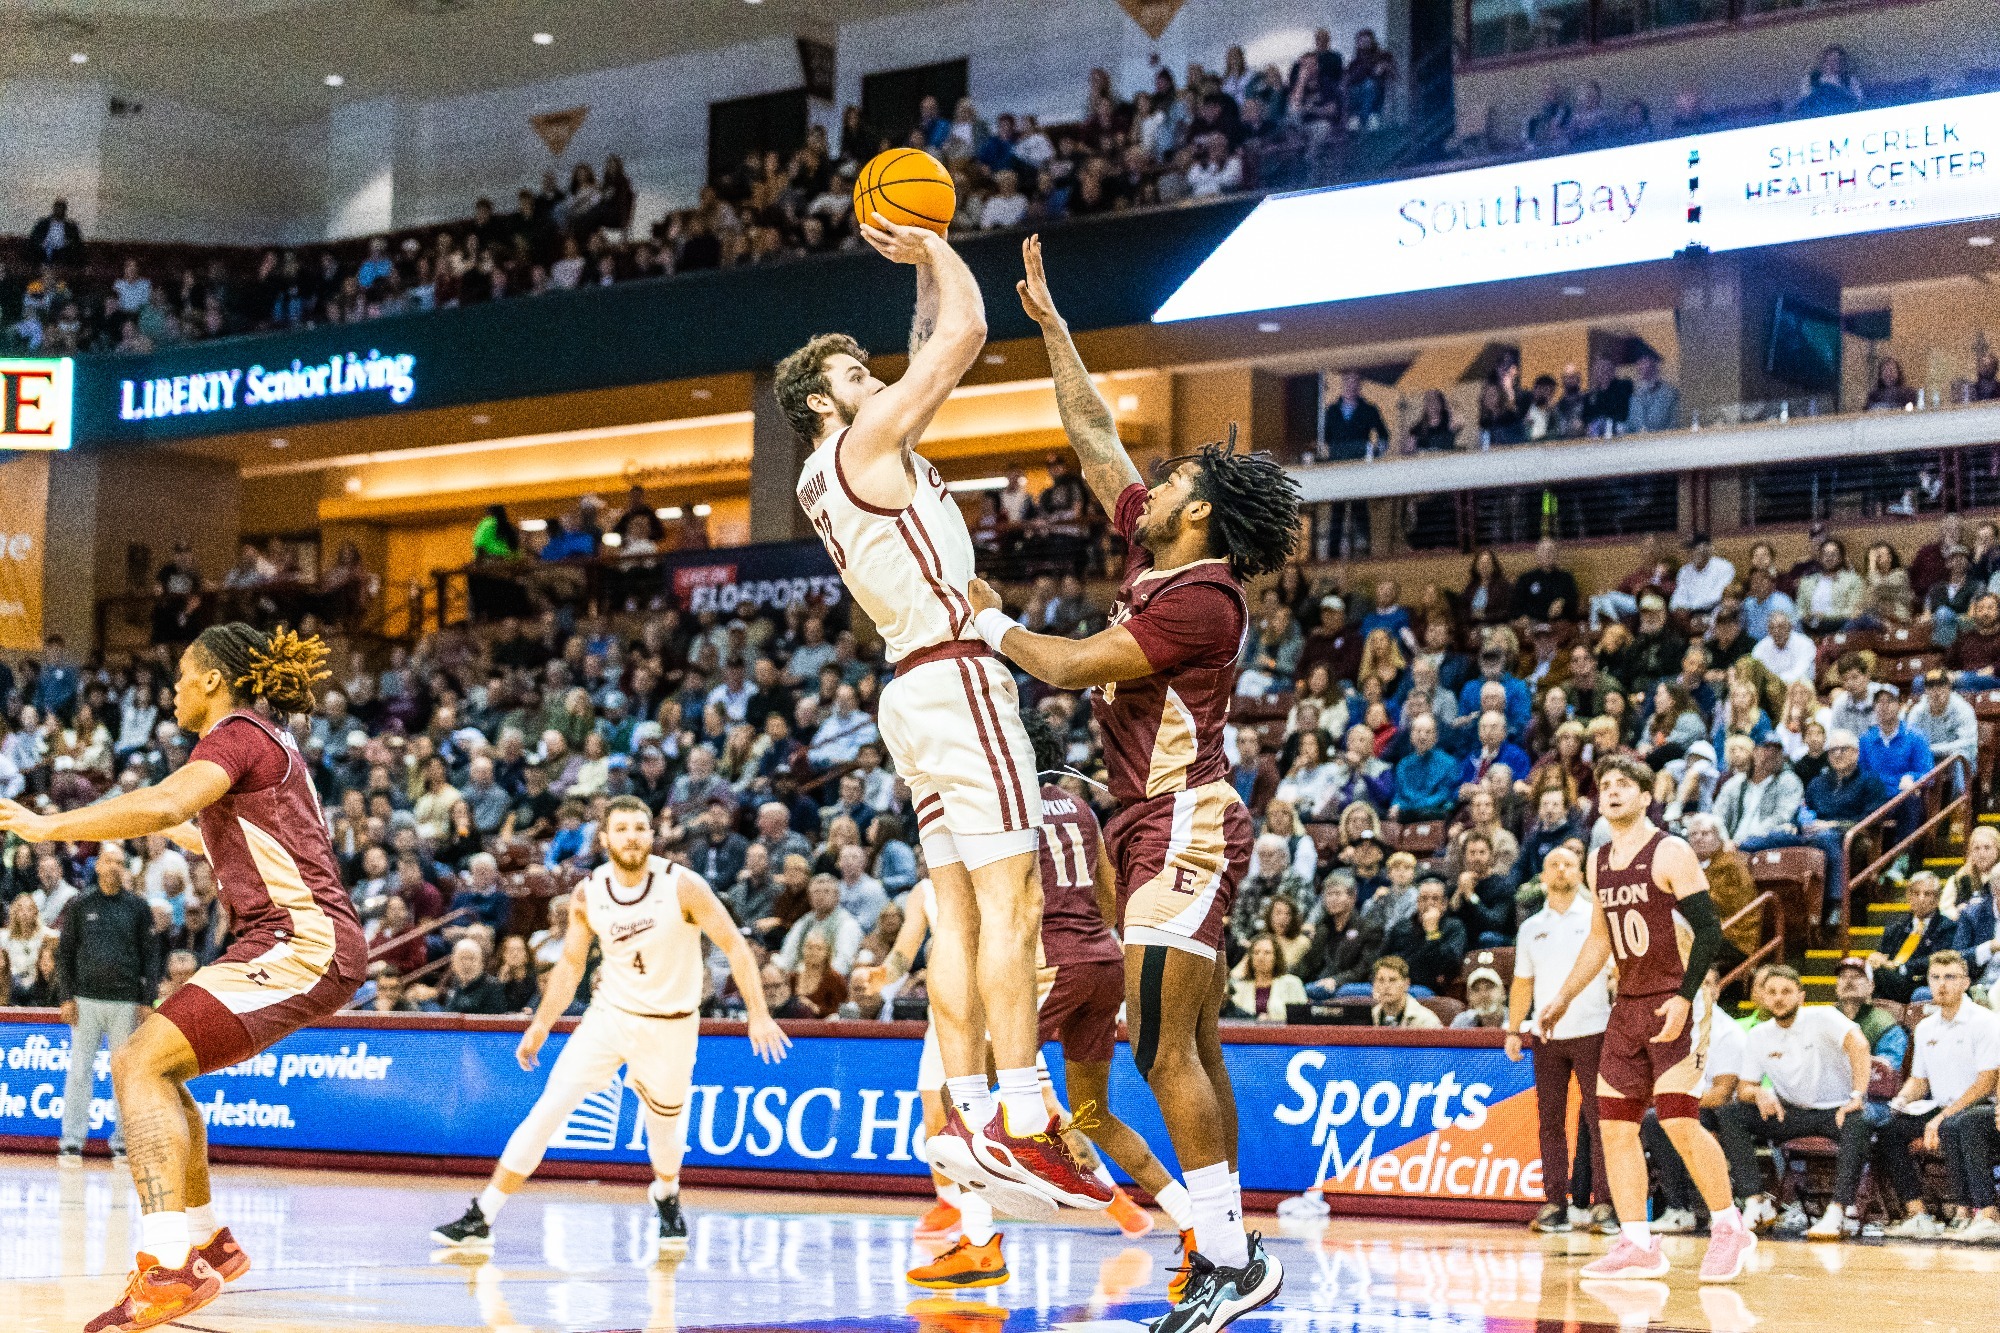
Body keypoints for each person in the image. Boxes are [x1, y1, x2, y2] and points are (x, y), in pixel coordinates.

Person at [966, 233, 1295, 1331]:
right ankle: (1223, 1249)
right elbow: (1095, 436)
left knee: (1163, 1040)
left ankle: (1230, 1251)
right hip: (1146, 825)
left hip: (1186, 820)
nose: (1151, 484)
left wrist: (983, 620)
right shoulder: (1153, 554)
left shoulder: (1200, 598)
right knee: (1186, 1041)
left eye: (1173, 481)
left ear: (1194, 512)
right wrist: (1056, 331)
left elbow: (1060, 667)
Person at [777, 222, 1100, 1213]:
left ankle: (961, 1114)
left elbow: (921, 340)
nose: (878, 381)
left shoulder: (832, 472)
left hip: (907, 691)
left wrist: (913, 264)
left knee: (956, 914)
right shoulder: (861, 441)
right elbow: (960, 332)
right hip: (958, 682)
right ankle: (1023, 1111)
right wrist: (937, 241)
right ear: (826, 403)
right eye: (856, 374)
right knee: (1012, 906)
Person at [0, 624, 368, 1331]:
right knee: (159, 1068)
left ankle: (169, 1265)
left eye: (180, 674)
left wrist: (49, 827)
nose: (171, 688)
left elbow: (169, 801)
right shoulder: (267, 739)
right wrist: (163, 826)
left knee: (138, 1059)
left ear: (211, 679)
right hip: (299, 935)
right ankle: (206, 1243)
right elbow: (216, 832)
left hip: (299, 937)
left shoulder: (232, 732)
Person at [901, 708, 1187, 1289]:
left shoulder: (999, 806)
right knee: (1093, 1114)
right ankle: (1192, 1222)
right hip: (1103, 960)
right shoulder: (1079, 806)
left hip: (1047, 962)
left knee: (964, 1097)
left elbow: (984, 908)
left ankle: (980, 1243)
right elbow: (1110, 895)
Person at [432, 797, 788, 1255]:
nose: (633, 836)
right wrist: (542, 1024)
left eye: (640, 827)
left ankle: (666, 1194)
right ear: (604, 839)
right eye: (622, 829)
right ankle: (483, 1215)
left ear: (651, 835)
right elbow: (572, 964)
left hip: (671, 1026)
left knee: (665, 1140)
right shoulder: (588, 892)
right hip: (609, 1017)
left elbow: (737, 948)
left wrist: (758, 1013)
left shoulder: (683, 886)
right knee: (547, 1111)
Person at [1537, 754, 1747, 1282]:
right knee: (1614, 1126)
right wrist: (1563, 997)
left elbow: (1710, 933)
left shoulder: (1670, 851)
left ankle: (1729, 1227)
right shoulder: (1599, 859)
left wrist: (1684, 997)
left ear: (1646, 796)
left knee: (1677, 1116)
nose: (1610, 792)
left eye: (1622, 784)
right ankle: (1637, 1244)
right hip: (1627, 1005)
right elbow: (1599, 940)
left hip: (1676, 997)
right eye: (1604, 784)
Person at [1716, 966, 1874, 1240]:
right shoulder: (1759, 1034)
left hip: (1835, 1111)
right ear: (1763, 998)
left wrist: (1857, 1096)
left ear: (1801, 996)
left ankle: (1837, 1213)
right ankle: (1756, 1202)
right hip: (1790, 1113)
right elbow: (1744, 1088)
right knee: (1731, 1113)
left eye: (1786, 992)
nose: (1779, 998)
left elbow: (1859, 1045)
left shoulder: (1823, 1016)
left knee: (1859, 1122)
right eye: (1772, 992)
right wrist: (1760, 1094)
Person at [1506, 846, 1612, 1234]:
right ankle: (1554, 1202)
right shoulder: (1531, 927)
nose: (1562, 870)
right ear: (1543, 877)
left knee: (1601, 1120)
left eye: (1569, 864)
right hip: (1546, 1035)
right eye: (1554, 864)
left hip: (1594, 1029)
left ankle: (1605, 1204)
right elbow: (1523, 982)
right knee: (1549, 1121)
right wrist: (1514, 1029)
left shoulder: (1598, 921)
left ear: (1581, 874)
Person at [1874, 951, 2000, 1240]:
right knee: (1890, 1130)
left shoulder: (1984, 1022)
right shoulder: (1925, 1027)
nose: (1942, 984)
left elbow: (1987, 1081)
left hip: (1981, 1106)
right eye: (1936, 978)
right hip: (1940, 1107)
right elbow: (1920, 1080)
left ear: (1966, 982)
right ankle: (1919, 1215)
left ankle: (1982, 1214)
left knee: (1957, 1124)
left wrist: (1942, 1116)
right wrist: (1901, 1101)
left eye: (1950, 977)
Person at [53, 843, 159, 1166]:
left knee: (123, 1075)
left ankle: (123, 1143)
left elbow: (150, 957)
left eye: (120, 863)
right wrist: (66, 996)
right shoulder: (80, 904)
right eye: (109, 862)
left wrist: (146, 999)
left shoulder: (137, 908)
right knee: (79, 1071)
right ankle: (71, 1141)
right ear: (97, 866)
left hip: (126, 1002)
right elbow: (64, 954)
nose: (114, 867)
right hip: (84, 1000)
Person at [1866, 871, 1952, 1003]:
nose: (1921, 898)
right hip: (1891, 979)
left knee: (1879, 976)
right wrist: (1876, 958)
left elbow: (1938, 959)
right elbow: (1883, 955)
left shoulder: (1947, 926)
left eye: (1927, 894)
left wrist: (1899, 967)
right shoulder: (1895, 926)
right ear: (1908, 896)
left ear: (1937, 898)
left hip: (1920, 981)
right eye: (1916, 893)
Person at [1368, 955, 1440, 1028]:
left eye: (1393, 980)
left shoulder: (1426, 1021)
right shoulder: (1371, 1017)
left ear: (1406, 984)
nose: (1386, 986)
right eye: (1381, 980)